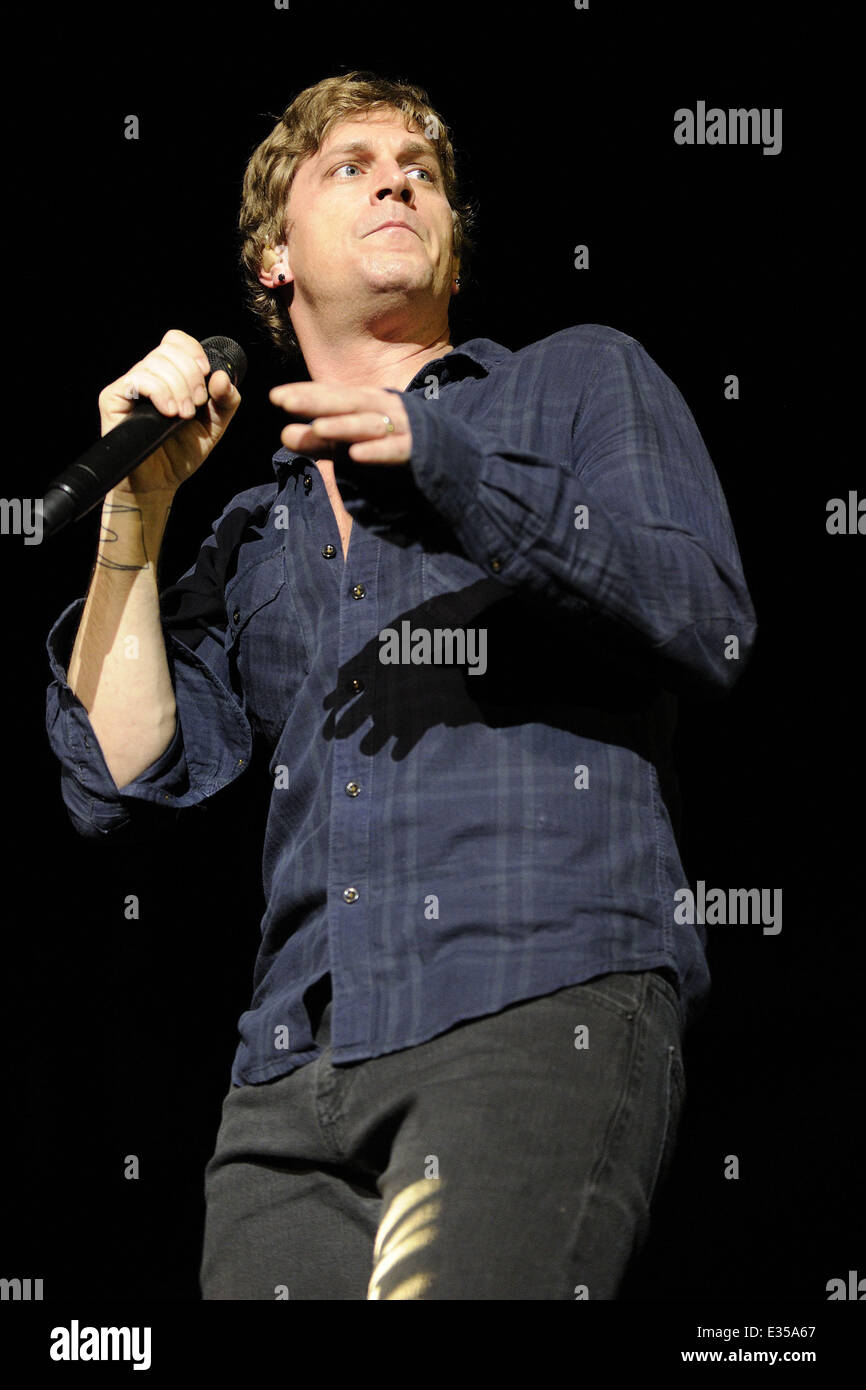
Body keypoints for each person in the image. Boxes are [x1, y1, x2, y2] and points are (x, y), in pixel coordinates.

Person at [45, 70, 757, 1300]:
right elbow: (114, 778)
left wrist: (448, 466)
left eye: (419, 170)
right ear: (274, 257)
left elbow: (702, 615)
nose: (395, 178)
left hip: (532, 996)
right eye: (350, 164)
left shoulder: (574, 380)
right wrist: (137, 515)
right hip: (285, 1084)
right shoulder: (250, 537)